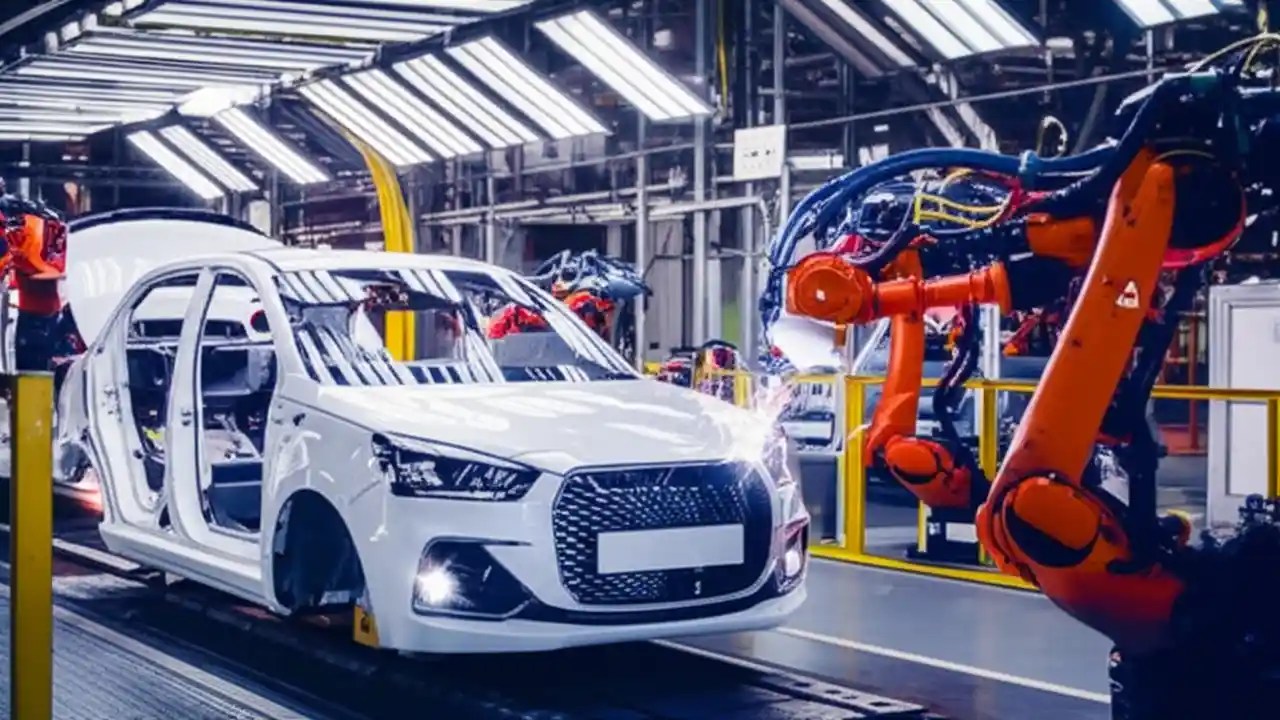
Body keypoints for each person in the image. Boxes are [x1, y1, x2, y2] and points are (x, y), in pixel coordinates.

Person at [7, 209, 66, 372]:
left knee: (31, 372)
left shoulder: (25, 227)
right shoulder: (52, 229)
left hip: (32, 311)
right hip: (44, 310)